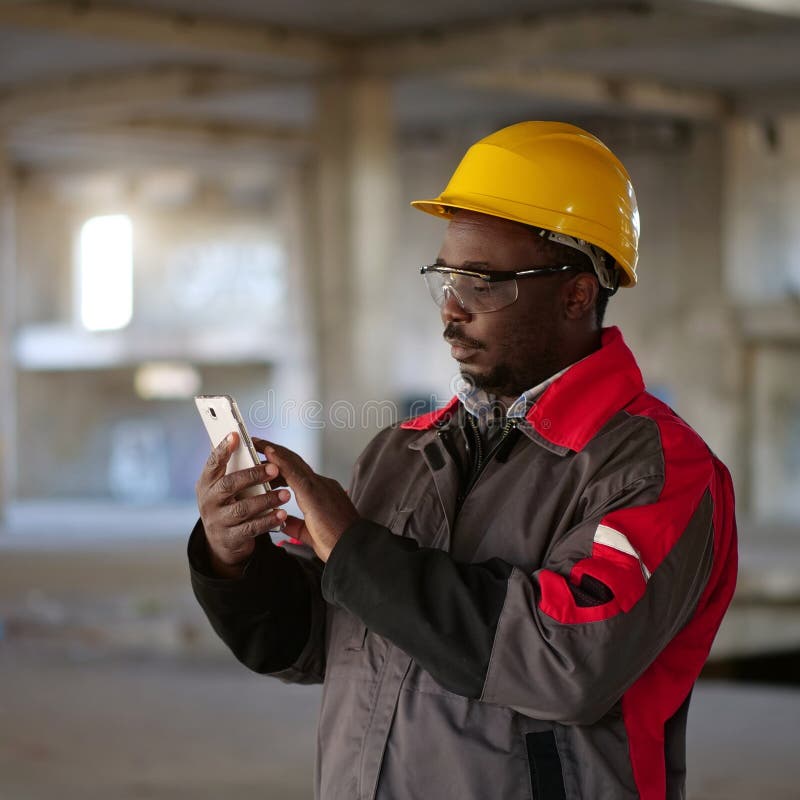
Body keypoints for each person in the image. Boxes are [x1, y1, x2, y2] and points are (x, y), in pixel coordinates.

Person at [188, 121, 738, 800]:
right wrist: (233, 560)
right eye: (444, 278)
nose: (450, 310)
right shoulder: (403, 451)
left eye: (482, 283)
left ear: (576, 294)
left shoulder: (656, 470)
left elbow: (568, 662)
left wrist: (359, 551)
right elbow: (313, 643)